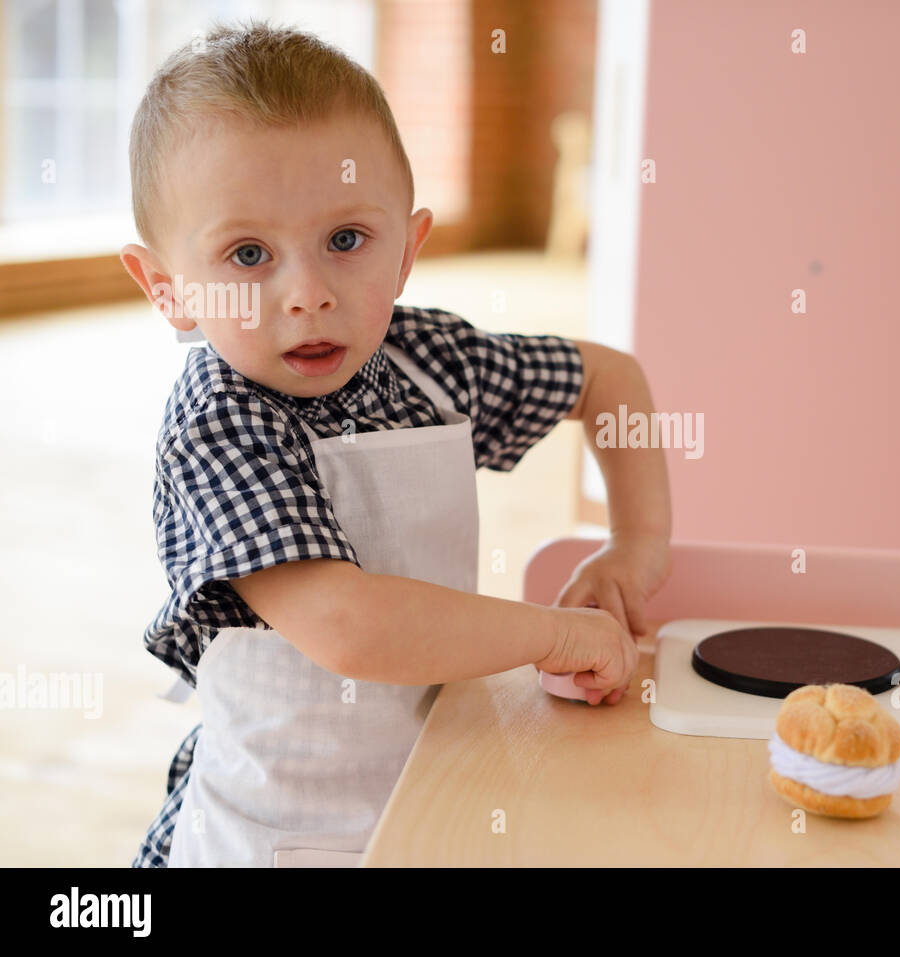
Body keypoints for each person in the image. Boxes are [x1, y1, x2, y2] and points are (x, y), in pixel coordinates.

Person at [118, 20, 671, 867]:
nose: (308, 294)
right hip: (273, 833)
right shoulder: (219, 419)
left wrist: (635, 546)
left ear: (408, 249)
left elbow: (613, 381)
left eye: (346, 241)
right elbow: (349, 625)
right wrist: (552, 635)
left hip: (432, 790)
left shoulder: (432, 362)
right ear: (168, 290)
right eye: (248, 254)